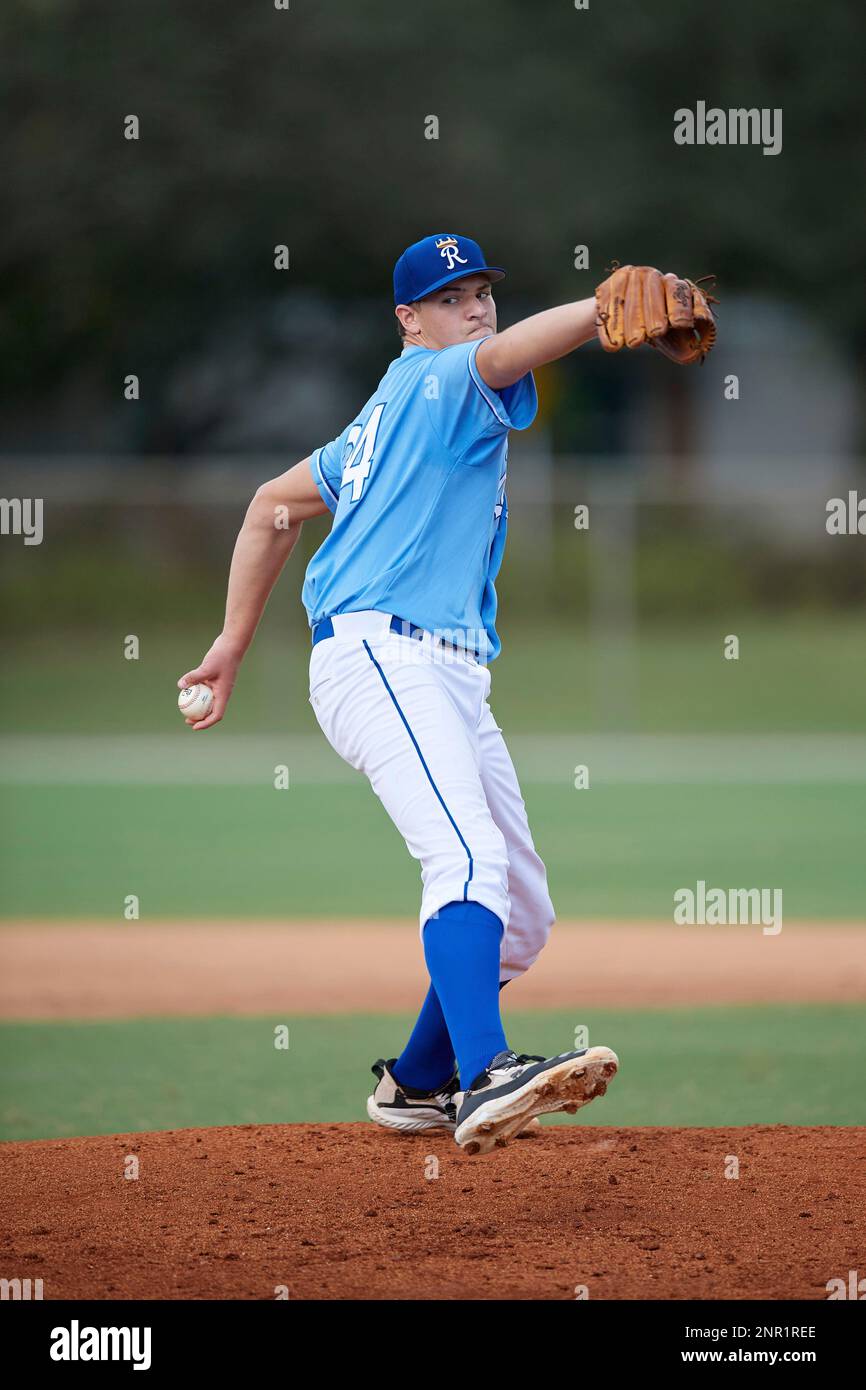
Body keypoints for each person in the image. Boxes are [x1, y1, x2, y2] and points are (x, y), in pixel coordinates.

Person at [178, 233, 619, 1154]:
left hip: (446, 670)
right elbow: (501, 356)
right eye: (452, 297)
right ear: (408, 320)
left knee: (522, 918)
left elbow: (271, 505)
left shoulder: (376, 421)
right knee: (464, 863)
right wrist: (601, 309)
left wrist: (229, 644)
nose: (477, 308)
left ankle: (418, 1084)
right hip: (385, 655)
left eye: (484, 290)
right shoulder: (438, 377)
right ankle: (489, 1073)